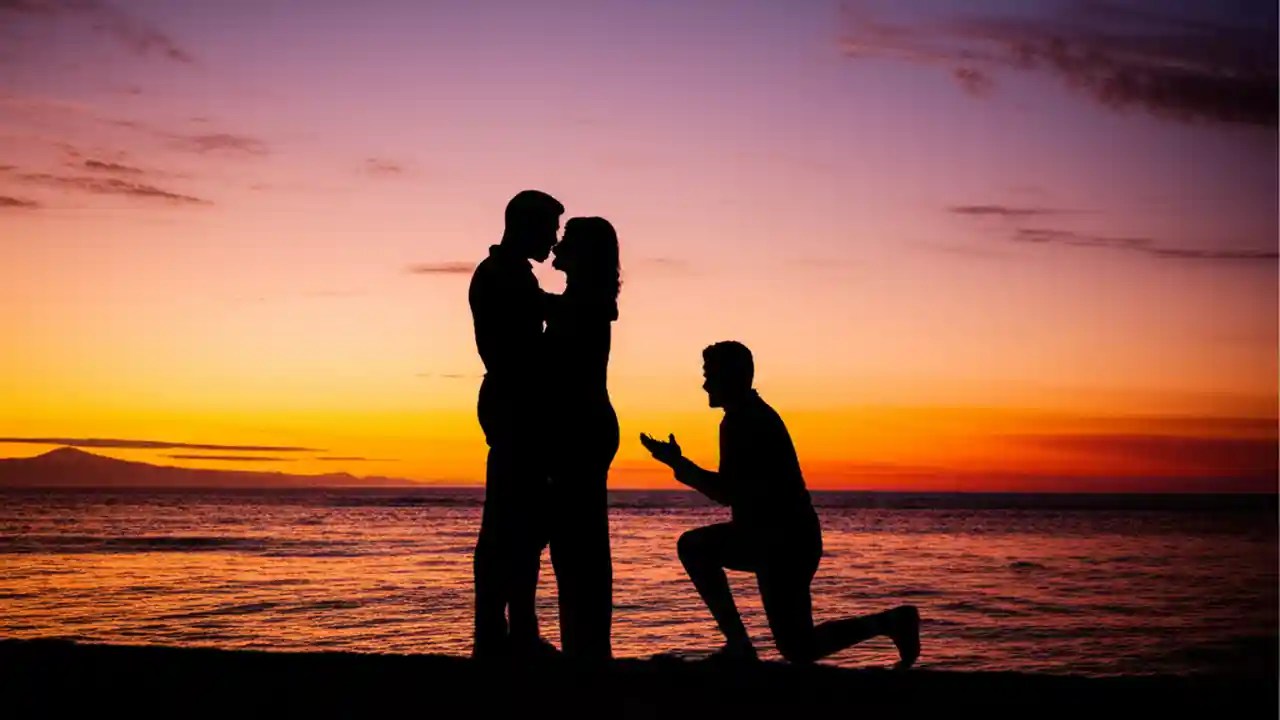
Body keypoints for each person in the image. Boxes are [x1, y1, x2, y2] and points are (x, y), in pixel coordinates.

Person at [640, 341, 921, 666]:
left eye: (710, 375)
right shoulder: (747, 416)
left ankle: (739, 646)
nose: (705, 384)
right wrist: (680, 464)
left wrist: (679, 465)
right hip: (782, 541)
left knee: (693, 546)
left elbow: (728, 492)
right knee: (798, 648)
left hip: (781, 544)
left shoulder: (744, 420)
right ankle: (891, 622)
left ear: (732, 377)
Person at [468, 189, 563, 660]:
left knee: (522, 526)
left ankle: (513, 630)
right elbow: (528, 341)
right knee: (509, 524)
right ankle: (497, 635)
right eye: (549, 228)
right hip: (513, 405)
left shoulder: (510, 274)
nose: (554, 239)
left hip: (514, 403)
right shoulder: (503, 276)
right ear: (526, 225)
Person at [544, 217, 621, 662]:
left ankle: (588, 650)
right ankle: (586, 646)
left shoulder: (584, 301)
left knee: (579, 548)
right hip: (584, 426)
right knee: (578, 544)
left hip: (582, 428)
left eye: (567, 240)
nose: (557, 245)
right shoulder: (582, 298)